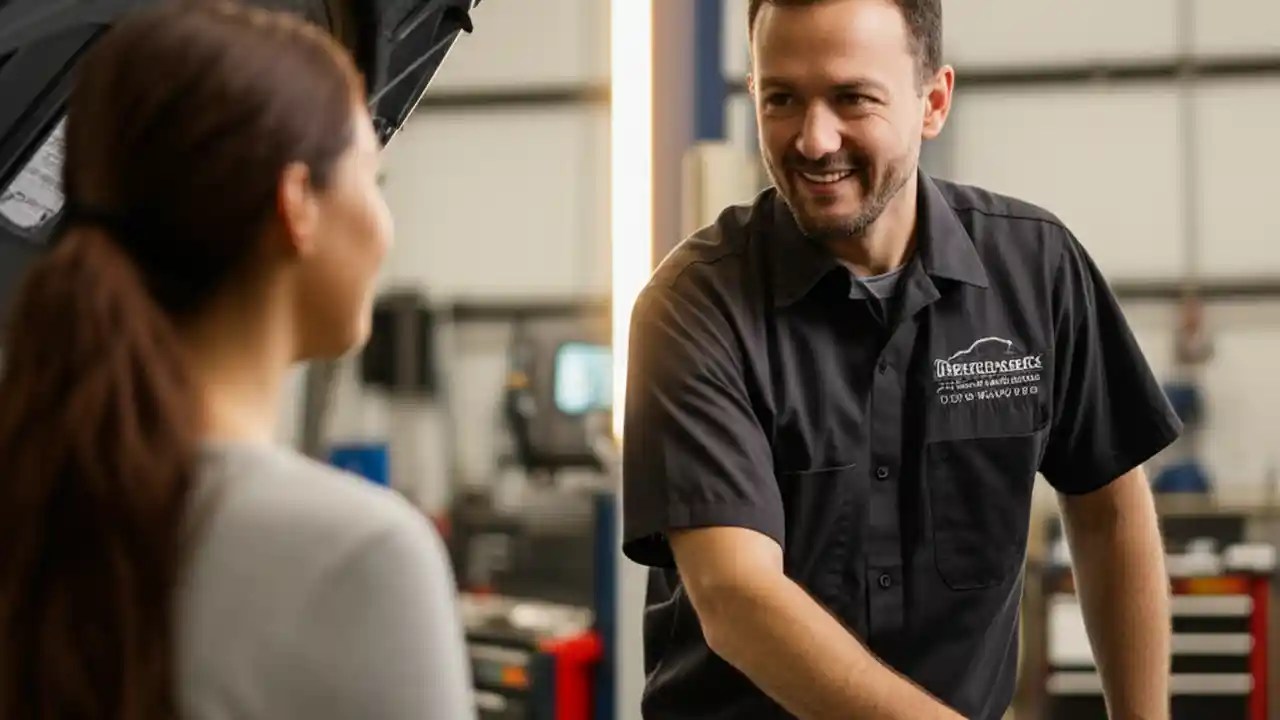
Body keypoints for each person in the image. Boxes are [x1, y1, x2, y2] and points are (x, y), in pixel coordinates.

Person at [620, 0, 1180, 718]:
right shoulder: (695, 306)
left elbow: (1108, 510)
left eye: (852, 98)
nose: (814, 139)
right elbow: (738, 598)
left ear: (933, 101)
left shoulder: (1036, 271)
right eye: (781, 98)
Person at [0, 3, 475, 719]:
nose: (384, 229)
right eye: (369, 178)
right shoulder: (360, 557)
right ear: (297, 205)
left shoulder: (33, 514)